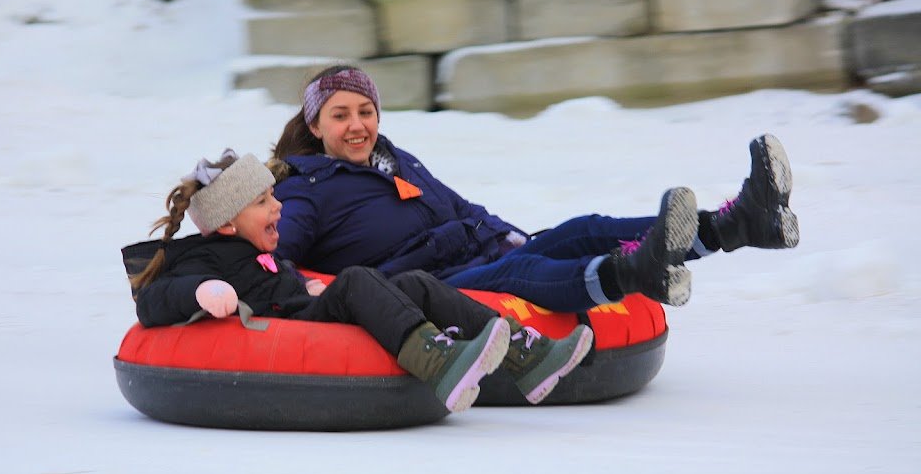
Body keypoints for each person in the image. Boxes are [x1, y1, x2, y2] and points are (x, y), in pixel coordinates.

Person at [261, 64, 800, 313]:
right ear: (315, 126)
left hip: (475, 253)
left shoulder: (396, 161)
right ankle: (636, 270)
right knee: (522, 273)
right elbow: (271, 255)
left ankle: (740, 223)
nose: (357, 125)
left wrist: (512, 234)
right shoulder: (303, 190)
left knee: (580, 230)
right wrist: (304, 291)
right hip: (426, 286)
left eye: (366, 111)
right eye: (340, 116)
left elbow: (463, 209)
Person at [128, 150, 595, 411]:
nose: (279, 208)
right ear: (227, 222)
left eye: (274, 197)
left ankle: (524, 353)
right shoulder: (203, 255)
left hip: (304, 311)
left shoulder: (258, 250)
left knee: (413, 282)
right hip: (287, 327)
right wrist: (200, 291)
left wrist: (309, 287)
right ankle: (437, 363)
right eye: (264, 203)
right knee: (355, 280)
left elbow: (286, 282)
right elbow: (152, 301)